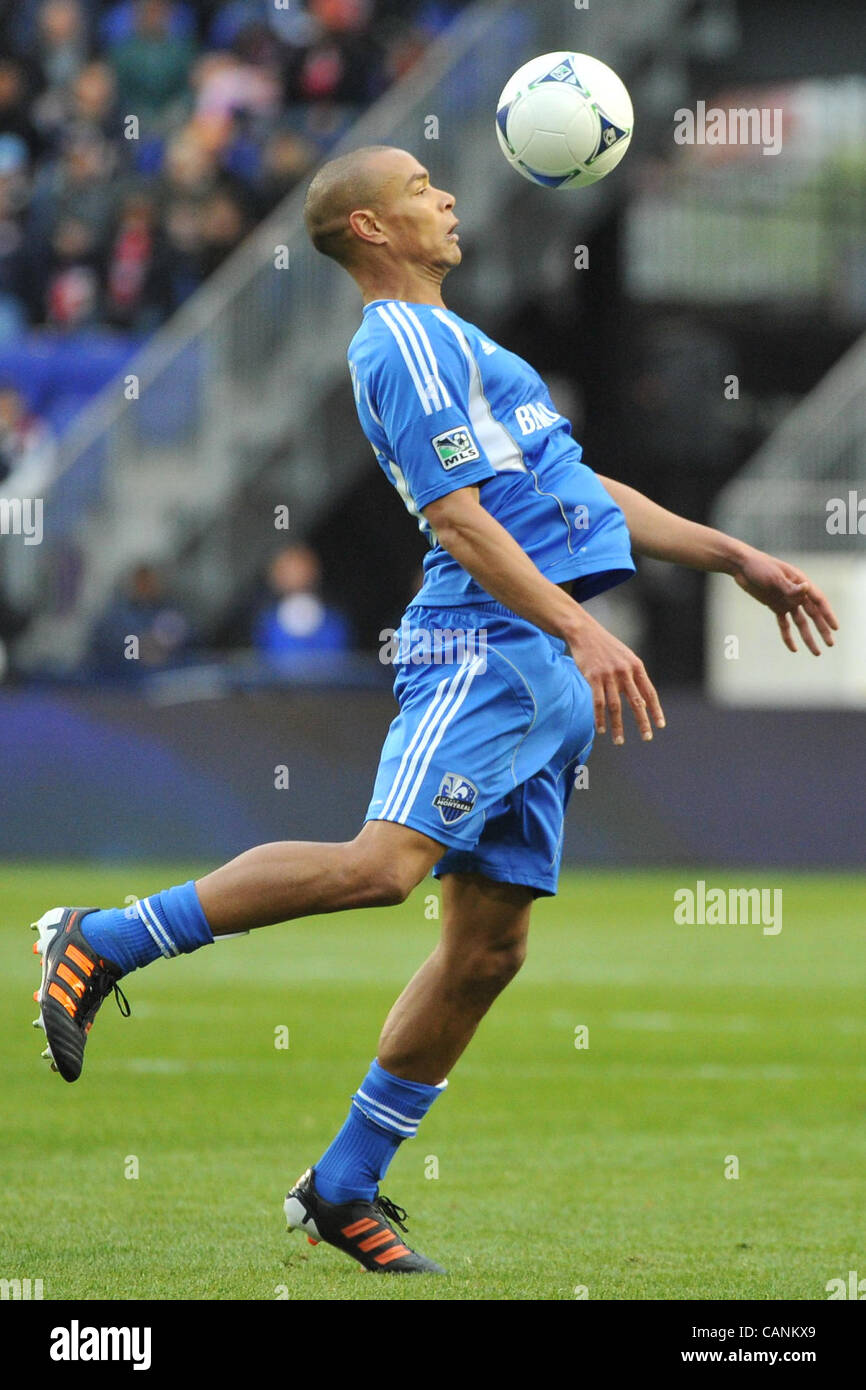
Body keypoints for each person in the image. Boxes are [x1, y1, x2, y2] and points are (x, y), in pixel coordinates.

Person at [30, 146, 839, 1277]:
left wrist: (734, 554)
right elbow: (457, 519)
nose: (448, 196)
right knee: (383, 866)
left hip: (538, 661)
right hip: (481, 645)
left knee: (488, 951)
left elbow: (578, 489)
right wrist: (580, 626)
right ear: (369, 228)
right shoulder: (398, 344)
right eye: (419, 187)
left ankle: (343, 1185)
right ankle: (103, 938)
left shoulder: (466, 344)